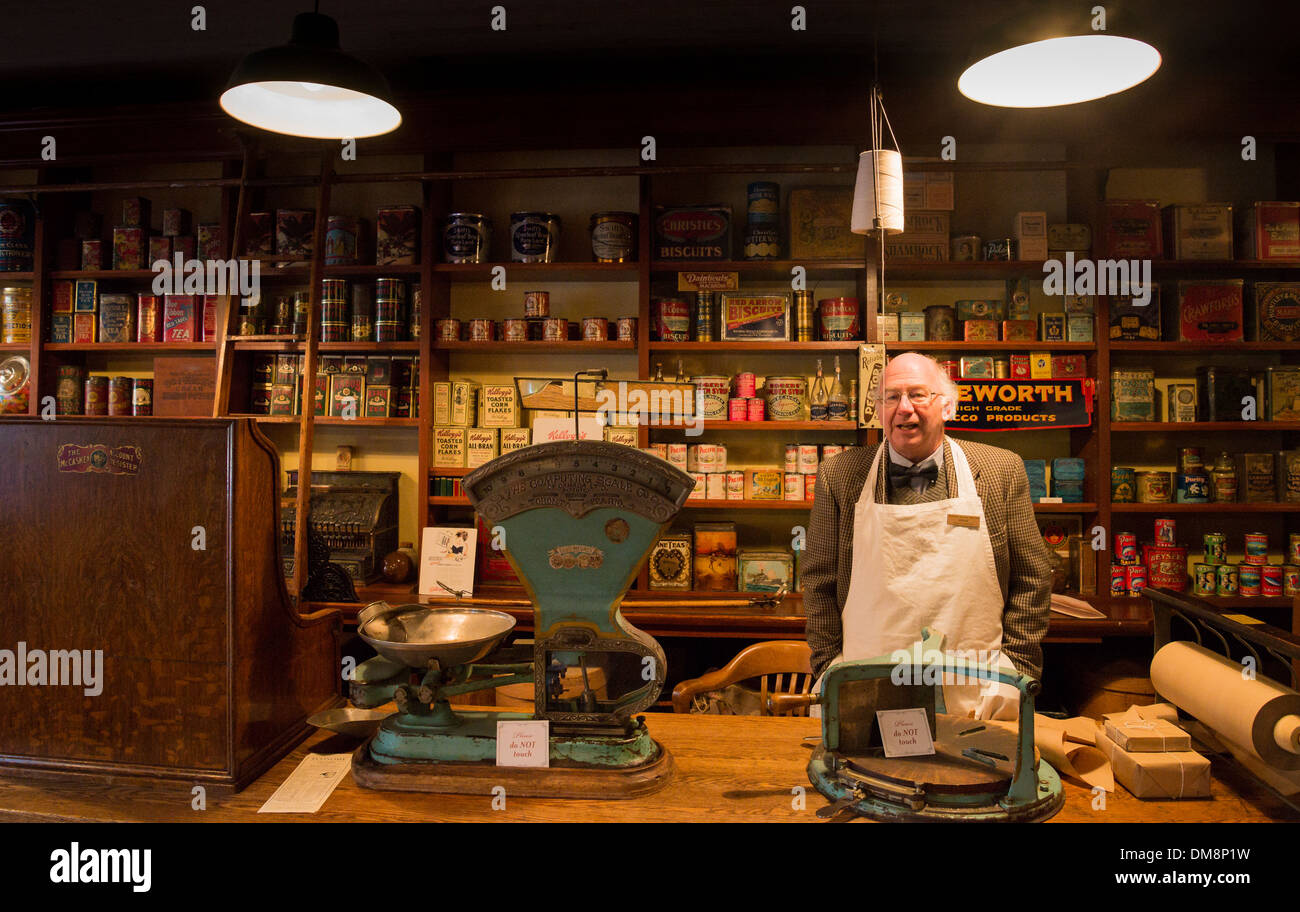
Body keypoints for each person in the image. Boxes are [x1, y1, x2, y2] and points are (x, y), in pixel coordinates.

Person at [801, 352, 1053, 720]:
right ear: (879, 409)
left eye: (918, 394)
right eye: (892, 397)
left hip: (978, 693)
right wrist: (828, 668)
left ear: (947, 406)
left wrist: (1017, 670)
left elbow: (1032, 577)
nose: (905, 408)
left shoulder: (1001, 470)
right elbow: (818, 582)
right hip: (864, 687)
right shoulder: (839, 475)